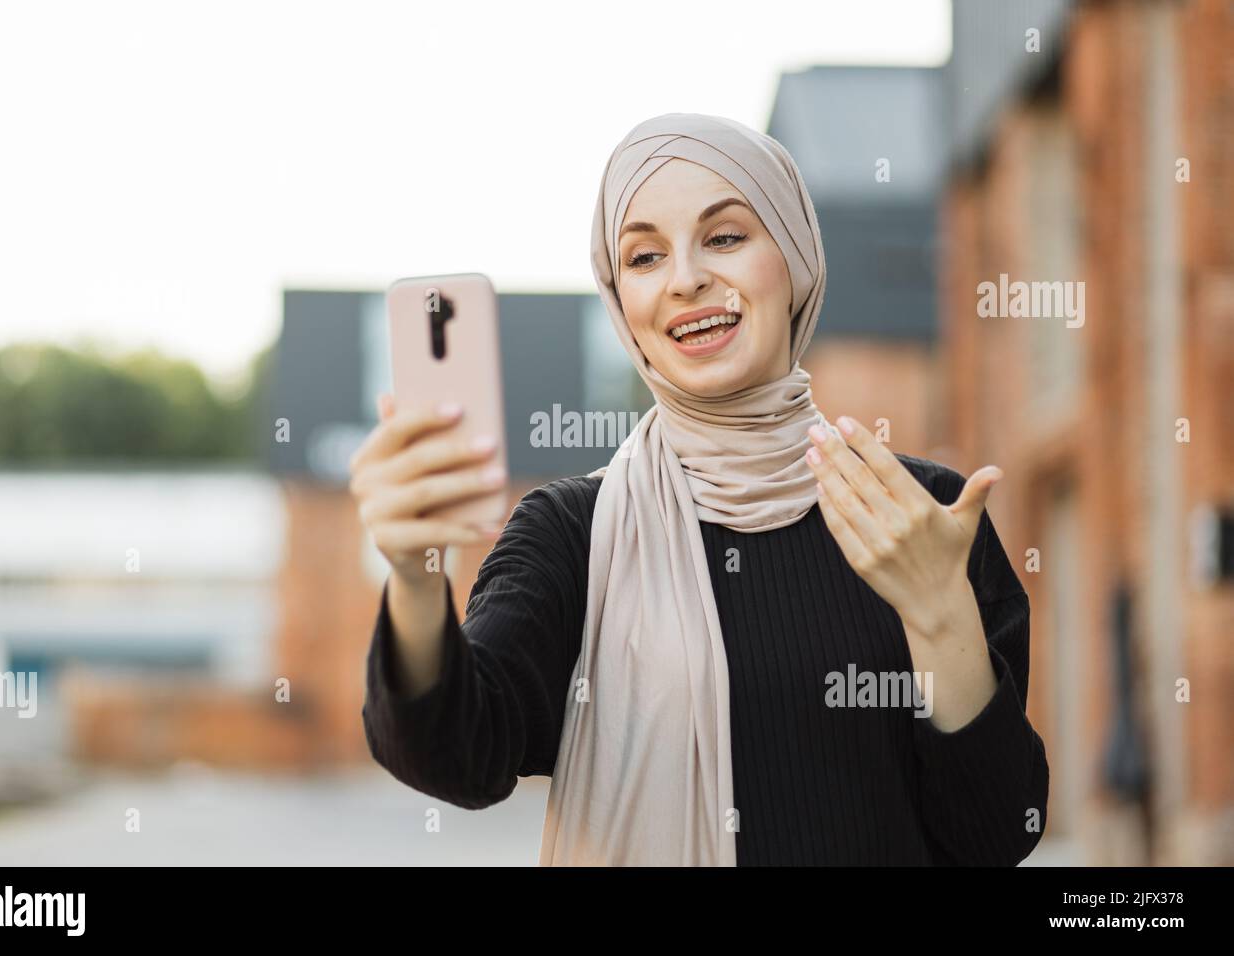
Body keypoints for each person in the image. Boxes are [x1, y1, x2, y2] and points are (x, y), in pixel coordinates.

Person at [352, 113, 1050, 866]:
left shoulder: (922, 514)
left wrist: (939, 610)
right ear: (622, 300)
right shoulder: (573, 533)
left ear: (795, 258)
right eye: (645, 256)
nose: (685, 279)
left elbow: (998, 834)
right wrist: (417, 577)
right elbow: (457, 753)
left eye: (724, 237)